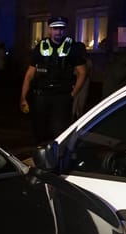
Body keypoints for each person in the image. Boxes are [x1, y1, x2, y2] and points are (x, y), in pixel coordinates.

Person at [19, 16, 87, 144]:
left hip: (61, 96)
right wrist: (23, 98)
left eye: (61, 29)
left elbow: (82, 72)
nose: (58, 32)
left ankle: (56, 160)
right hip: (42, 95)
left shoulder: (72, 47)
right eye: (55, 29)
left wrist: (73, 94)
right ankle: (42, 158)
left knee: (59, 132)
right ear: (49, 30)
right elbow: (29, 75)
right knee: (39, 131)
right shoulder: (41, 47)